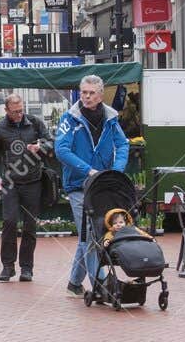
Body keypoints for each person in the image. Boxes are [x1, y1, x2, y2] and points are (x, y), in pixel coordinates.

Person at [55, 76, 131, 296]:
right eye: (83, 92)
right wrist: (88, 170)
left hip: (102, 185)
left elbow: (123, 145)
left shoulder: (110, 118)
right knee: (90, 233)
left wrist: (116, 172)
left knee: (88, 234)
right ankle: (100, 283)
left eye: (91, 93)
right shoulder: (70, 118)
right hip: (79, 184)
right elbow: (61, 150)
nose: (86, 96)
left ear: (100, 94)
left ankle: (74, 283)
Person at [0, 94, 55, 283]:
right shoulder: (0, 129)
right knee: (9, 222)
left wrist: (40, 146)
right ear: (6, 110)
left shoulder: (34, 123)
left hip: (33, 182)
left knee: (30, 226)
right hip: (10, 184)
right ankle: (8, 266)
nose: (18, 114)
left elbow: (51, 142)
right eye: (14, 111)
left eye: (20, 110)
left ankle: (26, 268)